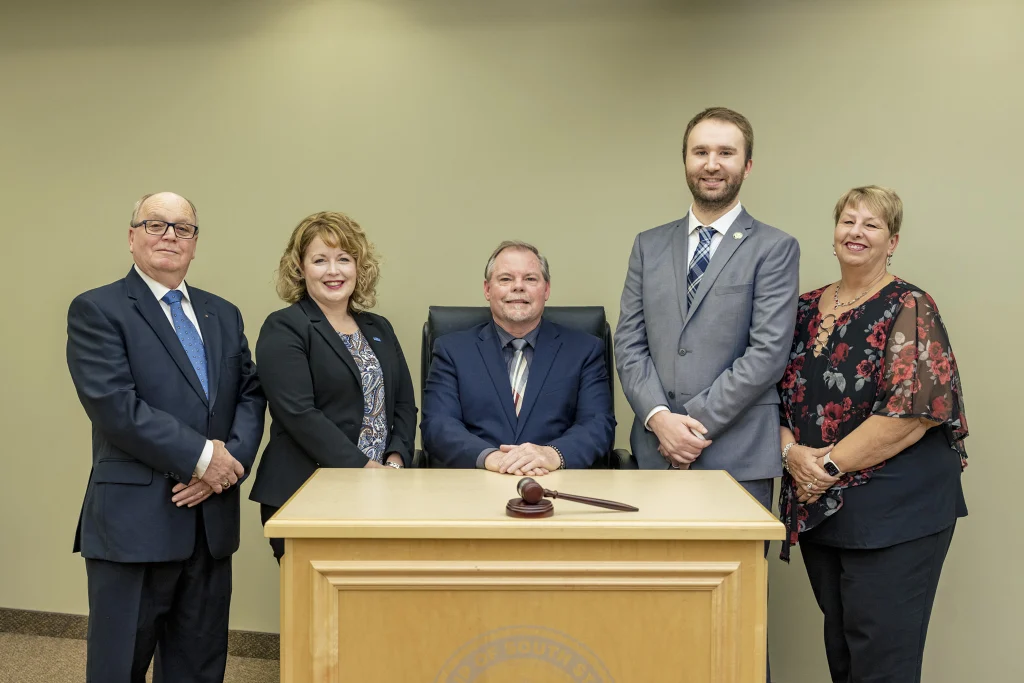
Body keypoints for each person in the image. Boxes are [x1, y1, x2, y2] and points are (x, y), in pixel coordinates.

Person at [66, 192, 266, 683]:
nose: (170, 236)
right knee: (119, 667)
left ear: (195, 245)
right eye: (156, 225)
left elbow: (251, 395)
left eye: (183, 228)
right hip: (135, 525)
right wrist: (203, 459)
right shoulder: (98, 309)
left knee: (199, 667)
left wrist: (225, 469)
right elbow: (117, 407)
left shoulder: (224, 313)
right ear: (132, 237)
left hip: (210, 524)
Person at [777, 186, 968, 683]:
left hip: (896, 508)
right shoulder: (802, 309)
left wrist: (828, 467)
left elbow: (913, 411)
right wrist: (792, 453)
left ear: (893, 241)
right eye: (848, 221)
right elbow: (770, 397)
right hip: (821, 504)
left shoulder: (910, 305)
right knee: (842, 654)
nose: (856, 232)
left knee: (883, 665)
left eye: (872, 225)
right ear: (834, 233)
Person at [614, 106, 800, 511]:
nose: (712, 164)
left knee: (736, 576)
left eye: (726, 153)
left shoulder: (774, 248)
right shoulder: (648, 246)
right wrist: (660, 419)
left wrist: (691, 428)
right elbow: (629, 342)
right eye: (700, 152)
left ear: (747, 165)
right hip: (654, 452)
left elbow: (767, 354)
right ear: (685, 161)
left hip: (735, 457)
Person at [249, 211, 416, 560]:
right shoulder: (285, 327)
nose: (333, 271)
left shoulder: (379, 328)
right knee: (317, 610)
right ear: (300, 267)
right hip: (306, 490)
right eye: (320, 260)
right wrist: (365, 469)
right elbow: (298, 413)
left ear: (359, 266)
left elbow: (402, 403)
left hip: (383, 491)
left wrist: (396, 460)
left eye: (344, 259)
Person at [421, 240, 615, 474]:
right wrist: (490, 458)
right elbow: (438, 425)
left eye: (530, 279)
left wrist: (553, 454)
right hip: (476, 482)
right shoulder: (451, 350)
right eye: (506, 279)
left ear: (546, 290)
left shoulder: (585, 349)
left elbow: (597, 424)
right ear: (487, 289)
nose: (518, 287)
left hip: (557, 483)